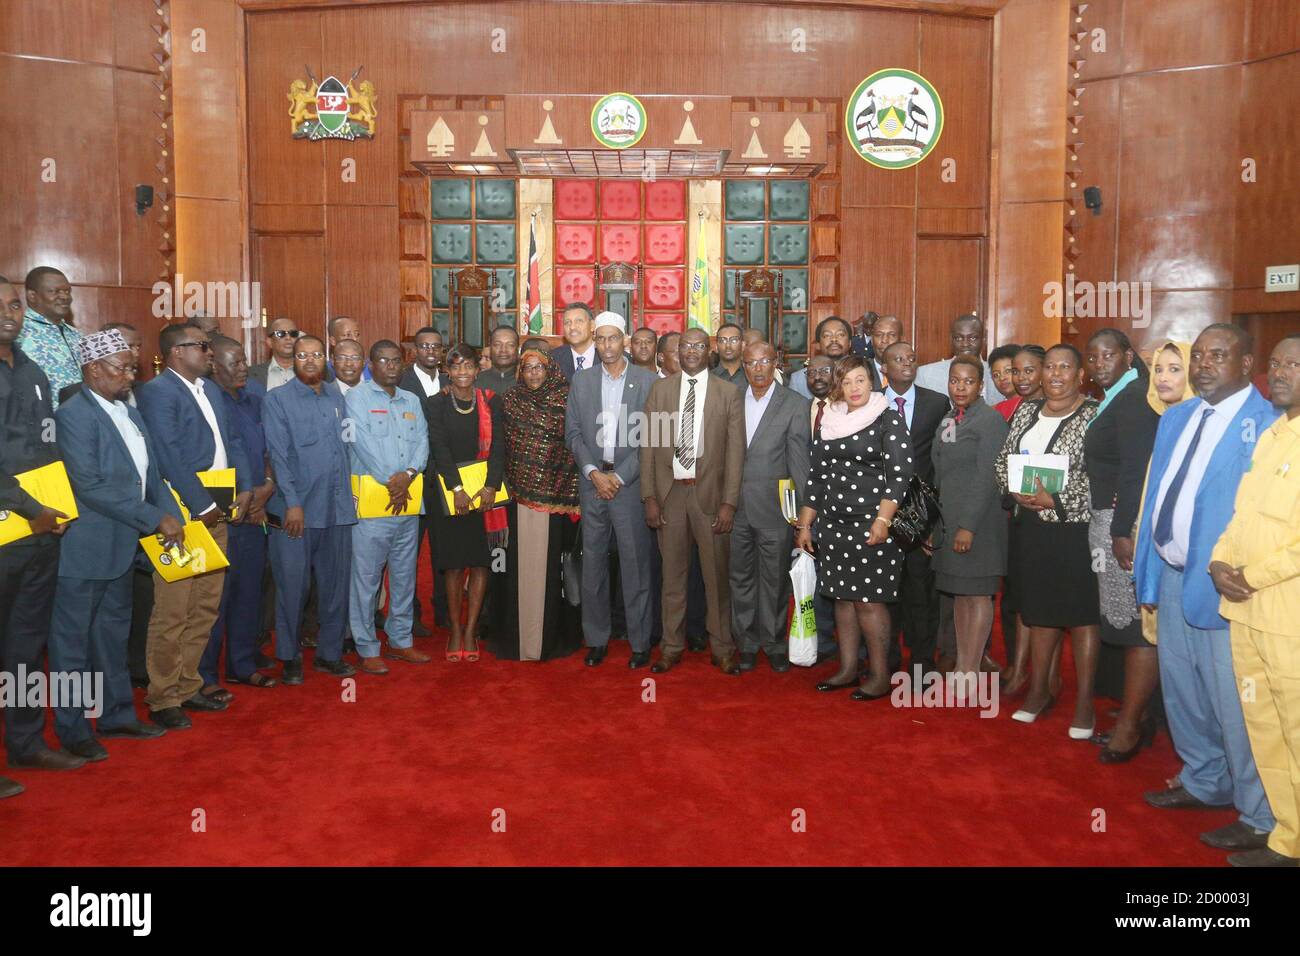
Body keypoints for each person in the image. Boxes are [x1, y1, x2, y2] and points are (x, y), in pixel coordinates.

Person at [1133, 324, 1278, 854]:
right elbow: (1157, 498)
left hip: (1224, 584)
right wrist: (1147, 566)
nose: (1205, 365)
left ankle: (1259, 811)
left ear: (1246, 365)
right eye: (1202, 356)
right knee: (1183, 691)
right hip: (1171, 573)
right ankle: (1204, 779)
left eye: (1221, 356)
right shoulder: (1176, 417)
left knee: (1234, 703)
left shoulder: (1268, 425)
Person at [49, 329, 181, 750]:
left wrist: (170, 514)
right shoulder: (73, 415)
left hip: (123, 545)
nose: (130, 376)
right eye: (123, 368)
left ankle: (117, 715)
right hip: (85, 549)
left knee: (112, 637)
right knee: (71, 646)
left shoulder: (129, 411)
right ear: (93, 369)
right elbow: (90, 486)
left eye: (131, 367)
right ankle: (72, 731)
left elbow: (150, 472)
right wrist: (153, 517)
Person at [1210, 333, 1300, 867]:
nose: (1282, 371)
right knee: (1264, 729)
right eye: (1277, 363)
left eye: (1295, 364)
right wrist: (1219, 563)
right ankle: (1287, 839)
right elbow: (1241, 517)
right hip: (1244, 610)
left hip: (1287, 617)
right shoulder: (1271, 434)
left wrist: (1252, 574)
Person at [135, 322, 253, 723]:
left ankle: (188, 685)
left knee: (204, 606)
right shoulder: (157, 392)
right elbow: (167, 455)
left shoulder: (212, 391)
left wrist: (240, 490)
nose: (208, 352)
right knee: (173, 611)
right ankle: (164, 698)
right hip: (182, 515)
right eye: (201, 346)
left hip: (216, 506)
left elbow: (231, 443)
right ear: (175, 353)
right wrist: (201, 504)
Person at [995, 344, 1100, 736]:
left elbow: (1097, 477)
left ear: (1079, 374)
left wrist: (1054, 498)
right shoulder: (1025, 410)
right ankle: (1039, 690)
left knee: (1081, 614)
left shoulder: (1093, 416)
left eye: (1064, 367)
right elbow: (1003, 458)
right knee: (1038, 610)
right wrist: (1013, 489)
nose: (1055, 374)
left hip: (1074, 529)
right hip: (1031, 526)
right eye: (1050, 367)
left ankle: (1085, 703)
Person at [0, 275, 79, 792]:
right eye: (3, 304)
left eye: (12, 304)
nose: (10, 311)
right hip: (13, 519)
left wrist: (57, 504)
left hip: (40, 528)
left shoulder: (29, 370)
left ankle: (26, 746)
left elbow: (46, 445)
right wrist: (32, 508)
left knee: (25, 647)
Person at [795, 355, 912, 699]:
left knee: (868, 602)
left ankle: (879, 675)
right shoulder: (828, 420)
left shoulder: (887, 418)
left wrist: (883, 521)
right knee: (841, 599)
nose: (854, 388)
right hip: (832, 523)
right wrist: (805, 525)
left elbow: (900, 475)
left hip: (873, 524)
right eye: (846, 382)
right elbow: (816, 478)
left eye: (860, 380)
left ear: (872, 381)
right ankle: (847, 669)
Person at [642, 327, 746, 675]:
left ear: (709, 351)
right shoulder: (661, 390)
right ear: (676, 351)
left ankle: (722, 647)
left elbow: (735, 454)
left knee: (716, 580)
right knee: (672, 579)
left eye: (698, 346)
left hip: (711, 499)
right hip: (670, 497)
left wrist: (729, 503)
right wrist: (650, 498)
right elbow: (650, 449)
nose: (690, 351)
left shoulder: (728, 393)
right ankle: (671, 647)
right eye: (684, 346)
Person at [1082, 328, 1160, 763]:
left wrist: (1122, 531)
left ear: (1128, 357)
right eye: (1092, 358)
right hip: (1108, 522)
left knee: (1134, 626)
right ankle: (1137, 714)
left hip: (1121, 525)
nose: (1098, 364)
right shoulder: (1117, 396)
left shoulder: (1133, 398)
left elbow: (1135, 469)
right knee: (1120, 619)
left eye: (1107, 355)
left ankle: (1132, 725)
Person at [262, 334, 357, 683]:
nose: (310, 361)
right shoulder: (277, 400)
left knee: (335, 586)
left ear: (325, 358)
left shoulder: (335, 395)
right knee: (292, 588)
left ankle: (329, 655)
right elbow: (279, 456)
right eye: (303, 355)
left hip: (337, 509)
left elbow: (344, 451)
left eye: (317, 355)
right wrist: (293, 504)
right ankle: (289, 657)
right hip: (297, 512)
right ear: (293, 359)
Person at [565, 313, 656, 667]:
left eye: (613, 338)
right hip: (592, 486)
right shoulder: (582, 381)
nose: (606, 346)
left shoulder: (647, 381)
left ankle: (639, 642)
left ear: (626, 341)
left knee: (635, 566)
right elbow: (573, 433)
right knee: (594, 566)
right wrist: (593, 473)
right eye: (600, 339)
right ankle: (598, 638)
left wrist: (618, 477)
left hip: (628, 488)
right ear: (594, 339)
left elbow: (653, 437)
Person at [345, 340, 431, 674]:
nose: (391, 366)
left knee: (405, 576)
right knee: (366, 579)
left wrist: (408, 475)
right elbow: (360, 444)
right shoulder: (357, 398)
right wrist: (391, 482)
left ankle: (400, 640)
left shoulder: (411, 400)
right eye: (384, 360)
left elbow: (423, 442)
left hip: (408, 502)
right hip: (372, 504)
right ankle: (366, 646)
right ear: (372, 363)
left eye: (397, 360)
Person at [494, 347, 583, 661]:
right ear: (520, 371)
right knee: (515, 568)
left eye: (539, 367)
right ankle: (518, 640)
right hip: (516, 500)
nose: (533, 373)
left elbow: (573, 447)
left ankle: (547, 639)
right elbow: (499, 447)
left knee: (550, 573)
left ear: (550, 370)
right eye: (527, 367)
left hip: (555, 502)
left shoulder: (565, 399)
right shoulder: (509, 401)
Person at [202, 336, 278, 691]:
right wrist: (242, 501)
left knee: (250, 590)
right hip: (221, 512)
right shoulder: (207, 401)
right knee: (215, 597)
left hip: (257, 507)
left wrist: (264, 489)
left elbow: (269, 448)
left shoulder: (255, 398)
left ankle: (242, 663)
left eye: (244, 360)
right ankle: (204, 676)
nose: (243, 367)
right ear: (213, 364)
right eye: (234, 363)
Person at [730, 340, 809, 672]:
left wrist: (801, 517)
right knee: (740, 578)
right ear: (744, 366)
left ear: (775, 364)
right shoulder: (731, 399)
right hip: (734, 507)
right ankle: (746, 643)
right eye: (751, 363)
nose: (758, 368)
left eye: (764, 362)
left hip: (777, 509)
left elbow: (799, 464)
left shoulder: (794, 404)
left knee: (775, 580)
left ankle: (775, 643)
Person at [427, 343, 507, 661]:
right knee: (453, 565)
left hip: (485, 494)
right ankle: (455, 630)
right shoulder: (436, 404)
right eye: (455, 366)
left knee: (480, 562)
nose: (462, 372)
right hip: (449, 495)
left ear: (478, 369)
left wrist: (490, 486)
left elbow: (500, 445)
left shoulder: (491, 401)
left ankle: (471, 630)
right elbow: (438, 447)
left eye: (468, 366)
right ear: (447, 370)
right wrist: (457, 488)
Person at [930, 356, 1009, 678]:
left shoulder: (989, 421)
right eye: (954, 380)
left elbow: (986, 477)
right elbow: (939, 473)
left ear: (980, 386)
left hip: (978, 525)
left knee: (977, 596)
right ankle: (964, 664)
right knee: (960, 597)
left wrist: (967, 527)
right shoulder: (950, 418)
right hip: (948, 522)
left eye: (968, 381)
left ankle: (970, 669)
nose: (960, 387)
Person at [881, 341, 950, 674]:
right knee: (884, 593)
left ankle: (923, 664)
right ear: (884, 367)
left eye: (911, 358)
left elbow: (940, 462)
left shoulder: (937, 404)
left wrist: (935, 519)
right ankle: (887, 662)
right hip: (880, 514)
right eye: (898, 359)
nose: (906, 363)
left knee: (921, 592)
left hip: (920, 516)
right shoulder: (870, 404)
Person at [397, 326, 447, 633]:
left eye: (436, 347)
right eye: (425, 346)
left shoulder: (452, 380)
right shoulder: (401, 381)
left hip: (443, 479)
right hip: (413, 479)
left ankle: (443, 610)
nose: (431, 351)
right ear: (415, 350)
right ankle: (409, 615)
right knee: (408, 553)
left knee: (444, 550)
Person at [15, 267, 81, 408]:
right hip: (40, 421)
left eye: (67, 291)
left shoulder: (76, 335)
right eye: (55, 291)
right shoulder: (18, 332)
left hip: (78, 421)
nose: (64, 297)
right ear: (32, 295)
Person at [915, 314, 998, 403]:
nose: (965, 344)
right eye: (958, 338)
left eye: (973, 338)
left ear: (983, 340)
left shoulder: (997, 375)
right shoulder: (926, 375)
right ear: (951, 340)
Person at [789, 317, 876, 398]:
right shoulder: (799, 379)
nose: (834, 339)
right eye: (827, 335)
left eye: (840, 335)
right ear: (818, 344)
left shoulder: (865, 373)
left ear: (850, 343)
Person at [249, 317, 300, 391]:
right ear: (269, 342)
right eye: (281, 334)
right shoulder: (250, 374)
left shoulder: (312, 371)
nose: (288, 338)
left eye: (293, 334)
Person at [552, 303, 597, 381]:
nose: (572, 327)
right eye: (567, 322)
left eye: (579, 321)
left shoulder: (607, 356)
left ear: (592, 325)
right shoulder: (553, 359)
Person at [477, 324, 519, 392]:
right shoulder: (477, 381)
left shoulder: (526, 382)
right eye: (497, 345)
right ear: (490, 348)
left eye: (510, 345)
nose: (503, 350)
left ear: (517, 349)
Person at [870, 315, 903, 388]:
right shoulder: (860, 371)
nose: (884, 340)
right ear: (871, 340)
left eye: (891, 335)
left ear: (901, 340)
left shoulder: (910, 372)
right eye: (879, 335)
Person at [988, 344, 1020, 408]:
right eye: (996, 375)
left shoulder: (1033, 405)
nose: (1002, 378)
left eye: (1008, 371)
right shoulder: (993, 412)